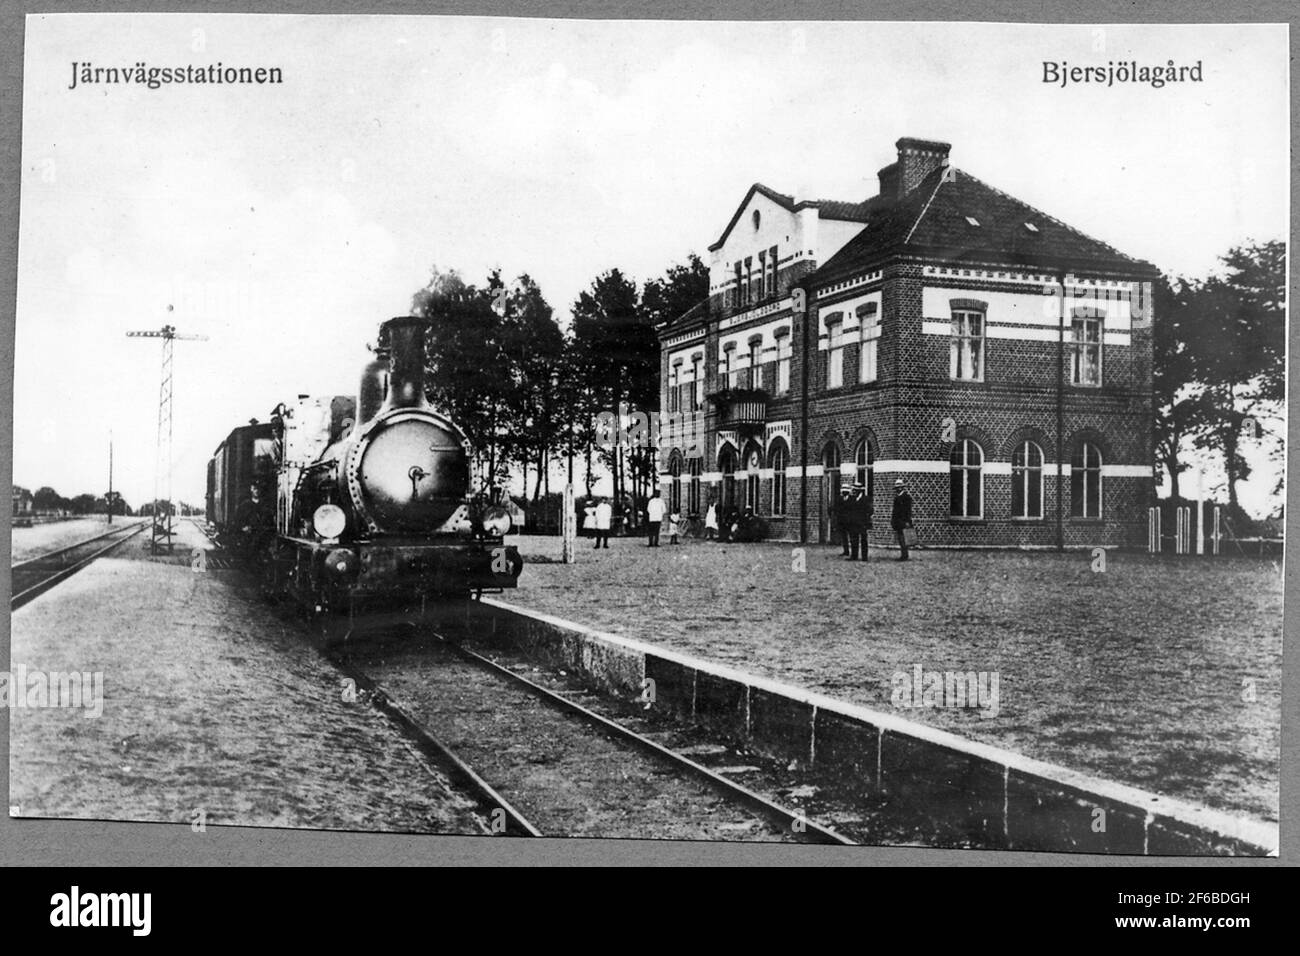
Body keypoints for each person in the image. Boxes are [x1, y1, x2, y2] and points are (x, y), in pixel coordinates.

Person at [842, 482, 867, 561]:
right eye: (854, 490)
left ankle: (864, 557)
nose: (854, 491)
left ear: (860, 491)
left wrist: (865, 520)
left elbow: (869, 510)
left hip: (862, 523)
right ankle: (854, 555)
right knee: (854, 539)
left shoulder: (865, 499)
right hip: (853, 523)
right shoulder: (852, 499)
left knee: (863, 540)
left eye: (856, 490)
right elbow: (849, 510)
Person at [891, 478, 914, 561]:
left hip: (903, 521)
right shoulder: (897, 497)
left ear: (902, 488)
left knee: (904, 538)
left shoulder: (906, 497)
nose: (898, 489)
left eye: (899, 487)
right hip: (898, 521)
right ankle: (903, 554)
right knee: (900, 538)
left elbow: (908, 511)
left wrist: (907, 521)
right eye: (897, 488)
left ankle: (904, 555)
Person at [834, 488, 851, 555]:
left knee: (851, 536)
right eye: (843, 492)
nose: (844, 493)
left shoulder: (851, 499)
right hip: (842, 521)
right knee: (844, 536)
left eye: (845, 492)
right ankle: (846, 550)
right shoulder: (839, 499)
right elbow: (837, 508)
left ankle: (852, 551)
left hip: (849, 521)